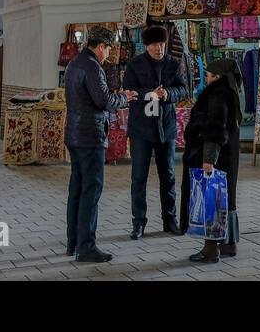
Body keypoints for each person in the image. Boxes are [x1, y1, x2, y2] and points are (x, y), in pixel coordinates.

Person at [64, 26, 137, 263]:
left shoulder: (75, 62)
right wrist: (124, 98)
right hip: (90, 137)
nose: (108, 55)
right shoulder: (92, 66)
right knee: (91, 191)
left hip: (75, 135)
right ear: (101, 47)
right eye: (108, 50)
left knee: (77, 189)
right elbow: (103, 100)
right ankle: (86, 247)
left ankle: (73, 242)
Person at [122, 24, 188, 239]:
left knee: (168, 175)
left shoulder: (173, 63)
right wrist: (150, 94)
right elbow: (128, 91)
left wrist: (167, 93)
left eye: (161, 44)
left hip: (165, 128)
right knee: (138, 177)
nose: (158, 49)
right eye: (154, 45)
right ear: (146, 46)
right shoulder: (134, 64)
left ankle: (170, 220)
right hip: (141, 128)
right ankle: (138, 223)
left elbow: (184, 89)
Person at [180, 57, 243, 263]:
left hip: (216, 157)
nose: (205, 78)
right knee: (227, 200)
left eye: (207, 75)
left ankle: (210, 249)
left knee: (211, 199)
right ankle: (228, 244)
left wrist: (208, 160)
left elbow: (215, 130)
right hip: (228, 156)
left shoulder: (217, 94)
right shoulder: (229, 92)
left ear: (217, 76)